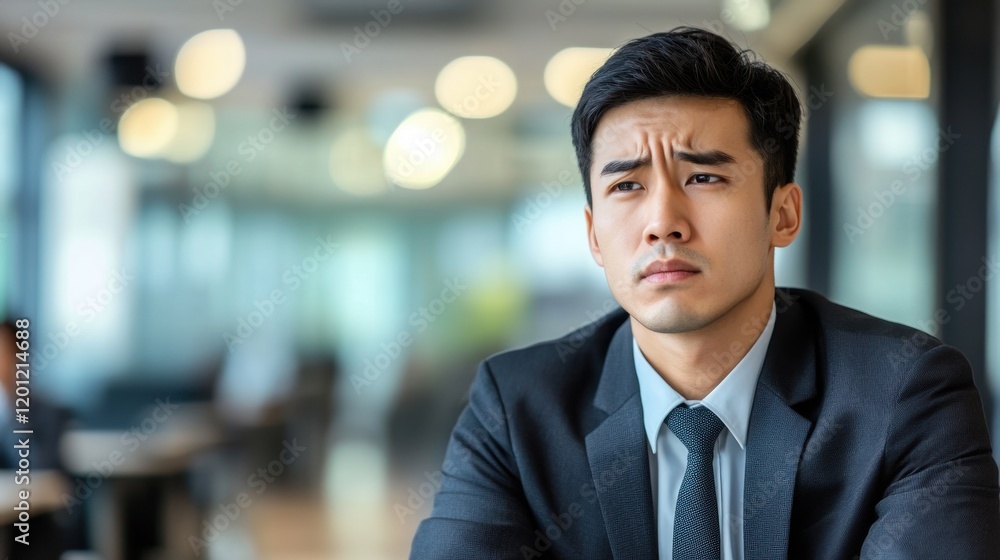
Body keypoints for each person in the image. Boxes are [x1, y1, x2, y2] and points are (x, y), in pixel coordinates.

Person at [409, 27, 1000, 559]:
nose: (662, 221)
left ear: (783, 214)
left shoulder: (904, 393)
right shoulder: (516, 409)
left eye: (704, 177)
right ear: (593, 234)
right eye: (628, 185)